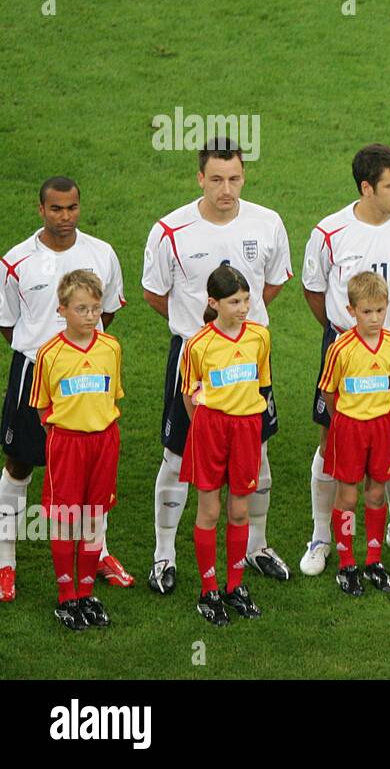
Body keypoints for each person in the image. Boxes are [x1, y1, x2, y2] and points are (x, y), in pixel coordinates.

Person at [142, 138, 293, 594]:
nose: (226, 189)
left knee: (258, 455)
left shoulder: (268, 223)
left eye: (234, 178)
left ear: (243, 176)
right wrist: (201, 336)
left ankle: (255, 546)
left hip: (249, 360)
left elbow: (269, 287)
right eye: (216, 179)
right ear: (199, 178)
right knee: (177, 456)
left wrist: (238, 332)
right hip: (195, 359)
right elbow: (155, 293)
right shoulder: (170, 231)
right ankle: (163, 556)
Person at [300, 144, 390, 575]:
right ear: (366, 187)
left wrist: (380, 331)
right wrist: (345, 334)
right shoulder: (329, 233)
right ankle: (322, 536)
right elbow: (314, 290)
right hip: (344, 346)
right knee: (330, 438)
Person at [1, 177, 131, 603]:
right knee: (20, 464)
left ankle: (99, 555)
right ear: (40, 209)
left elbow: (106, 310)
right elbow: (8, 323)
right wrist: (53, 358)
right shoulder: (16, 261)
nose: (65, 216)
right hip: (35, 372)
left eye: (72, 208)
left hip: (88, 377)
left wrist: (79, 352)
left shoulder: (102, 254)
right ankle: (5, 561)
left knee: (94, 468)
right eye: (56, 209)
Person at [29, 271, 123, 630]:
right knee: (67, 518)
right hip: (66, 443)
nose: (89, 315)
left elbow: (112, 395)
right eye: (81, 308)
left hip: (104, 441)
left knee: (93, 518)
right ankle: (66, 596)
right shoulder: (49, 353)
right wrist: (68, 431)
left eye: (95, 308)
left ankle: (87, 594)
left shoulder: (111, 347)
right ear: (62, 310)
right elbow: (42, 407)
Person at [180, 266, 271, 625]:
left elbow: (261, 383)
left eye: (247, 299)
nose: (244, 307)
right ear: (213, 303)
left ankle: (235, 586)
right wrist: (206, 428)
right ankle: (209, 590)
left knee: (239, 511)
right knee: (210, 512)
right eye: (235, 301)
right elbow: (190, 395)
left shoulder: (260, 338)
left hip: (247, 428)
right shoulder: (198, 344)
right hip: (210, 428)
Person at [318, 271, 390, 596]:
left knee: (375, 493)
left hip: (382, 426)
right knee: (349, 496)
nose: (374, 318)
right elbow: (328, 391)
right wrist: (345, 419)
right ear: (351, 310)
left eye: (379, 311)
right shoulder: (341, 348)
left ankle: (373, 560)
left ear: (387, 308)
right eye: (366, 311)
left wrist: (376, 413)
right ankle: (346, 563)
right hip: (349, 427)